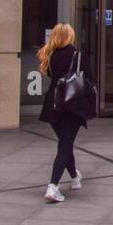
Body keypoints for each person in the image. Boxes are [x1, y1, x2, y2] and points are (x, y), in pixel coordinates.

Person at [37, 22, 87, 203]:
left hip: (53, 105)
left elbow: (52, 76)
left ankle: (74, 176)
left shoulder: (49, 55)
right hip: (71, 106)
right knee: (65, 145)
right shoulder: (77, 55)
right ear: (70, 36)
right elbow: (89, 78)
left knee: (65, 143)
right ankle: (53, 186)